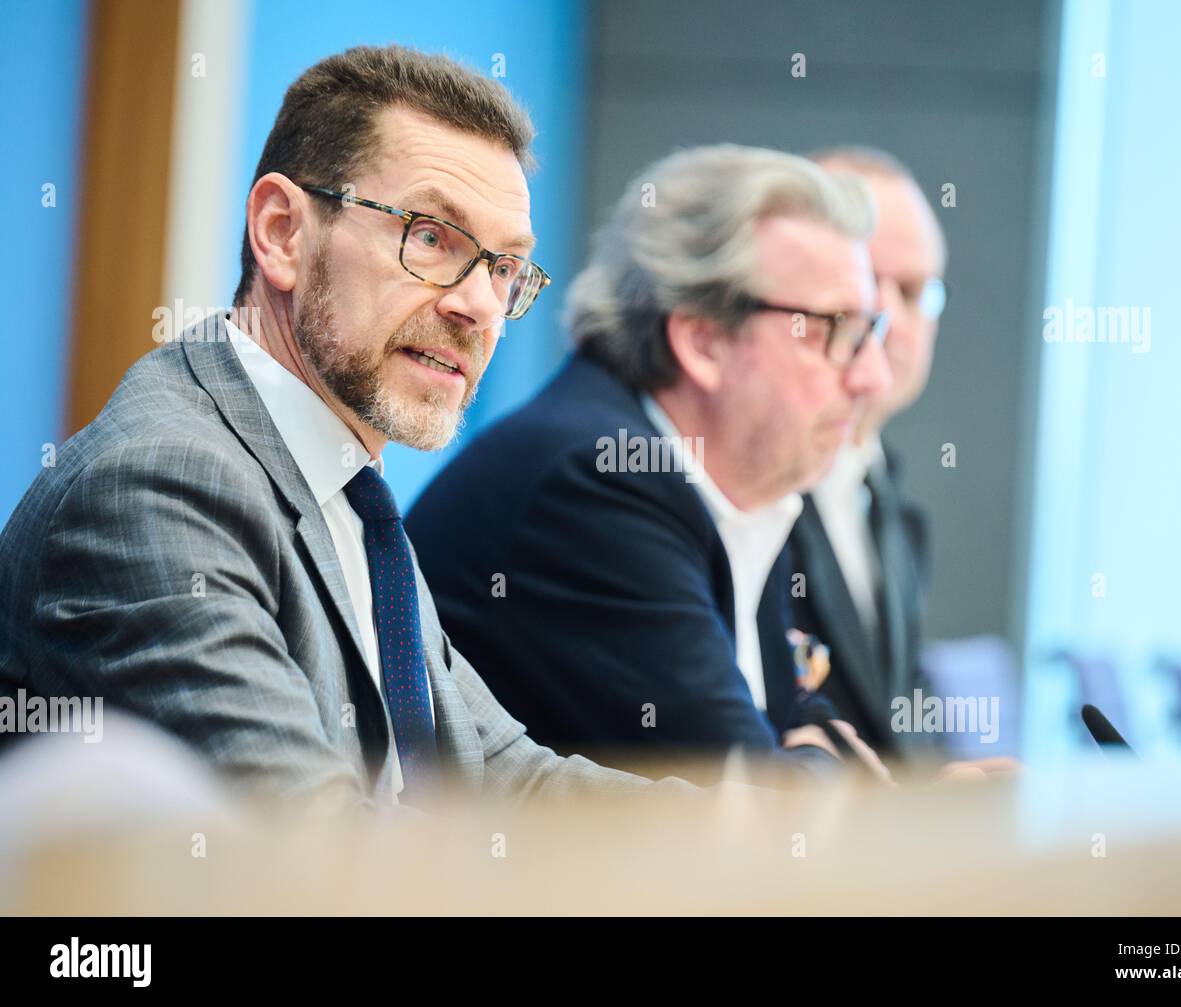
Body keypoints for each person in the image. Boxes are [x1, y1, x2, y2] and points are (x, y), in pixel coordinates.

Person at [0, 45, 695, 812]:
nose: (481, 308)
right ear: (281, 232)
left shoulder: (346, 486)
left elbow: (501, 771)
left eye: (503, 268)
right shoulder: (161, 484)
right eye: (432, 236)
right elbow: (319, 852)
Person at [406, 144, 894, 785]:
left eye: (871, 331)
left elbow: (808, 724)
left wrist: (810, 760)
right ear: (703, 340)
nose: (872, 377)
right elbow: (752, 810)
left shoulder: (739, 486)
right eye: (835, 330)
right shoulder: (595, 483)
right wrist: (817, 767)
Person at [789, 147, 948, 757]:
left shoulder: (901, 518)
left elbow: (899, 729)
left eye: (914, 291)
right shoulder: (738, 492)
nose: (887, 314)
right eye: (861, 281)